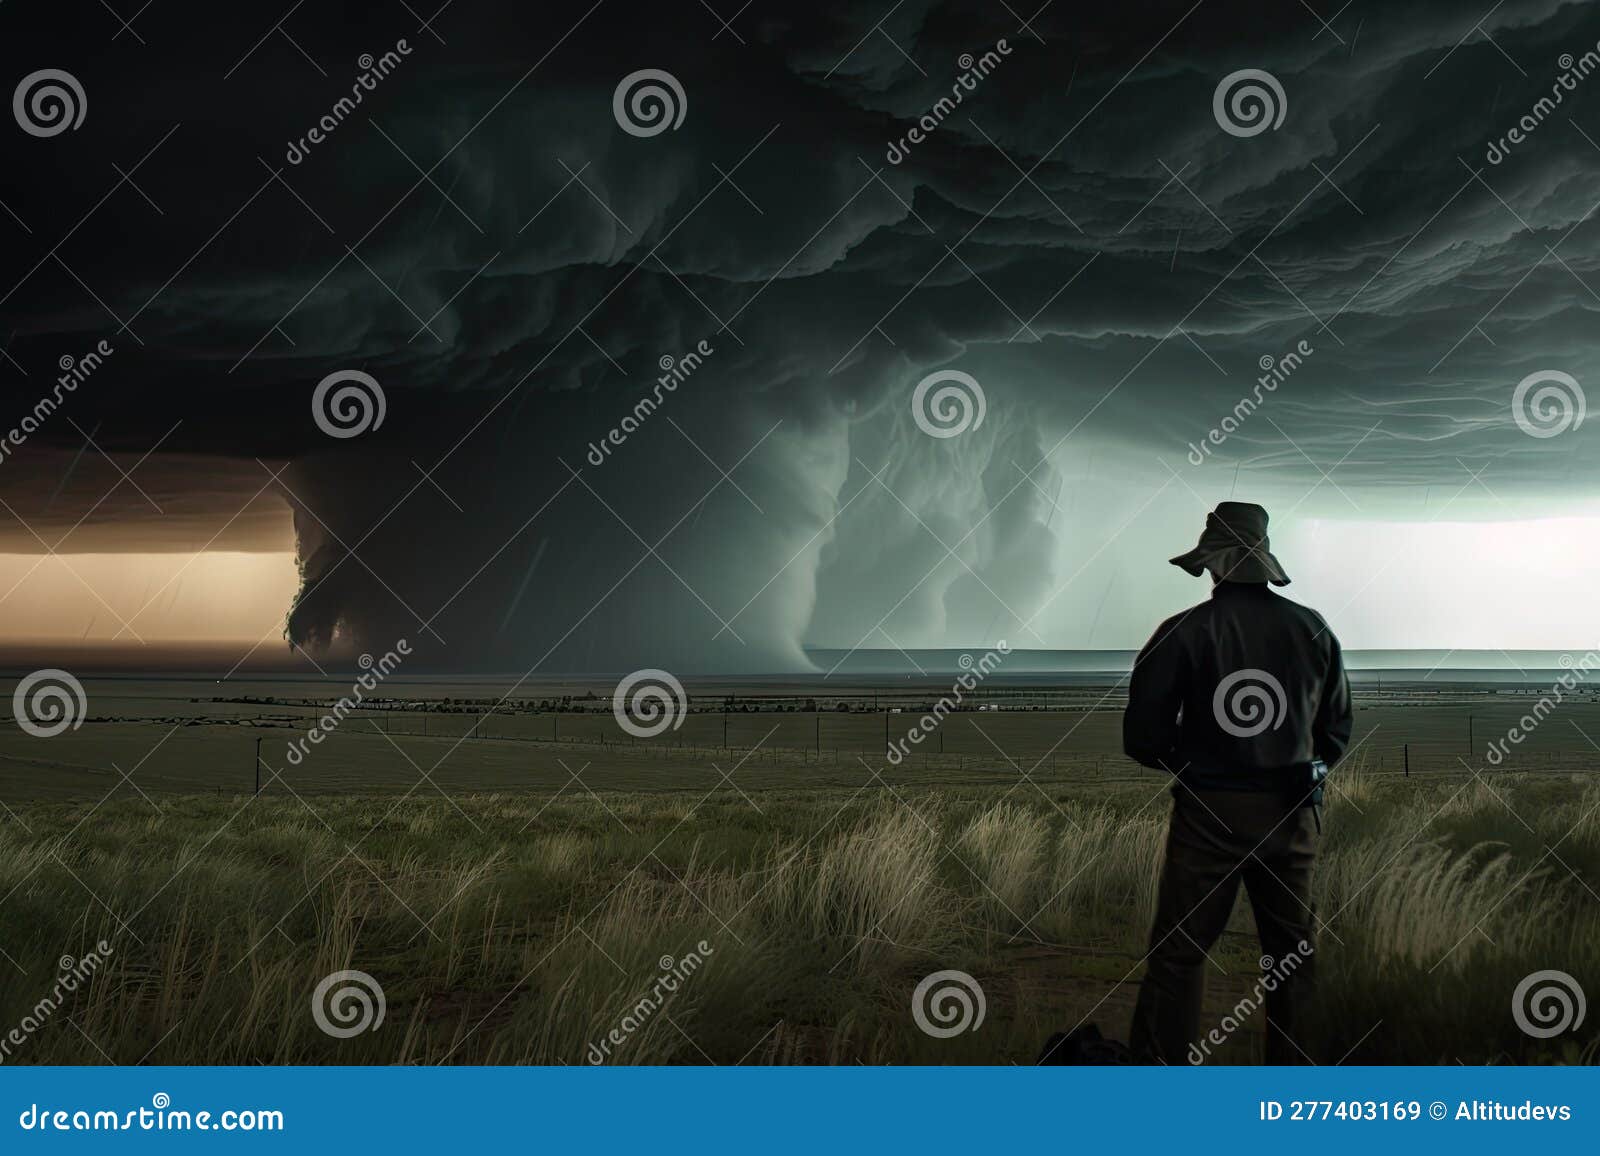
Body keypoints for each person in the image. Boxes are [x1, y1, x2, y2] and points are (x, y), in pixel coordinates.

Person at [1123, 501, 1351, 1065]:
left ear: (1213, 564)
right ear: (1262, 559)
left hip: (1207, 815)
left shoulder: (1182, 633)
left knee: (1179, 955)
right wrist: (1298, 767)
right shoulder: (1314, 629)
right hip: (1292, 814)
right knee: (1292, 958)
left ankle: (1159, 1090)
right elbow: (1337, 732)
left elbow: (1143, 738)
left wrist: (1195, 764)